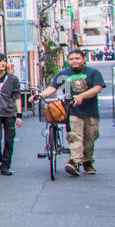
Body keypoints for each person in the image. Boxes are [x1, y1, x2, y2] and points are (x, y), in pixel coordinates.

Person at [39, 48, 105, 176]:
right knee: (75, 137)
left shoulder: (93, 72)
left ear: (83, 59)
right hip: (72, 111)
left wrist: (82, 96)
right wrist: (39, 96)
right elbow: (52, 88)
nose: (74, 61)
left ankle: (87, 162)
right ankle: (74, 162)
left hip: (91, 112)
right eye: (71, 59)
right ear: (68, 61)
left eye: (77, 58)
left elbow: (98, 88)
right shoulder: (63, 74)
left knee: (90, 139)